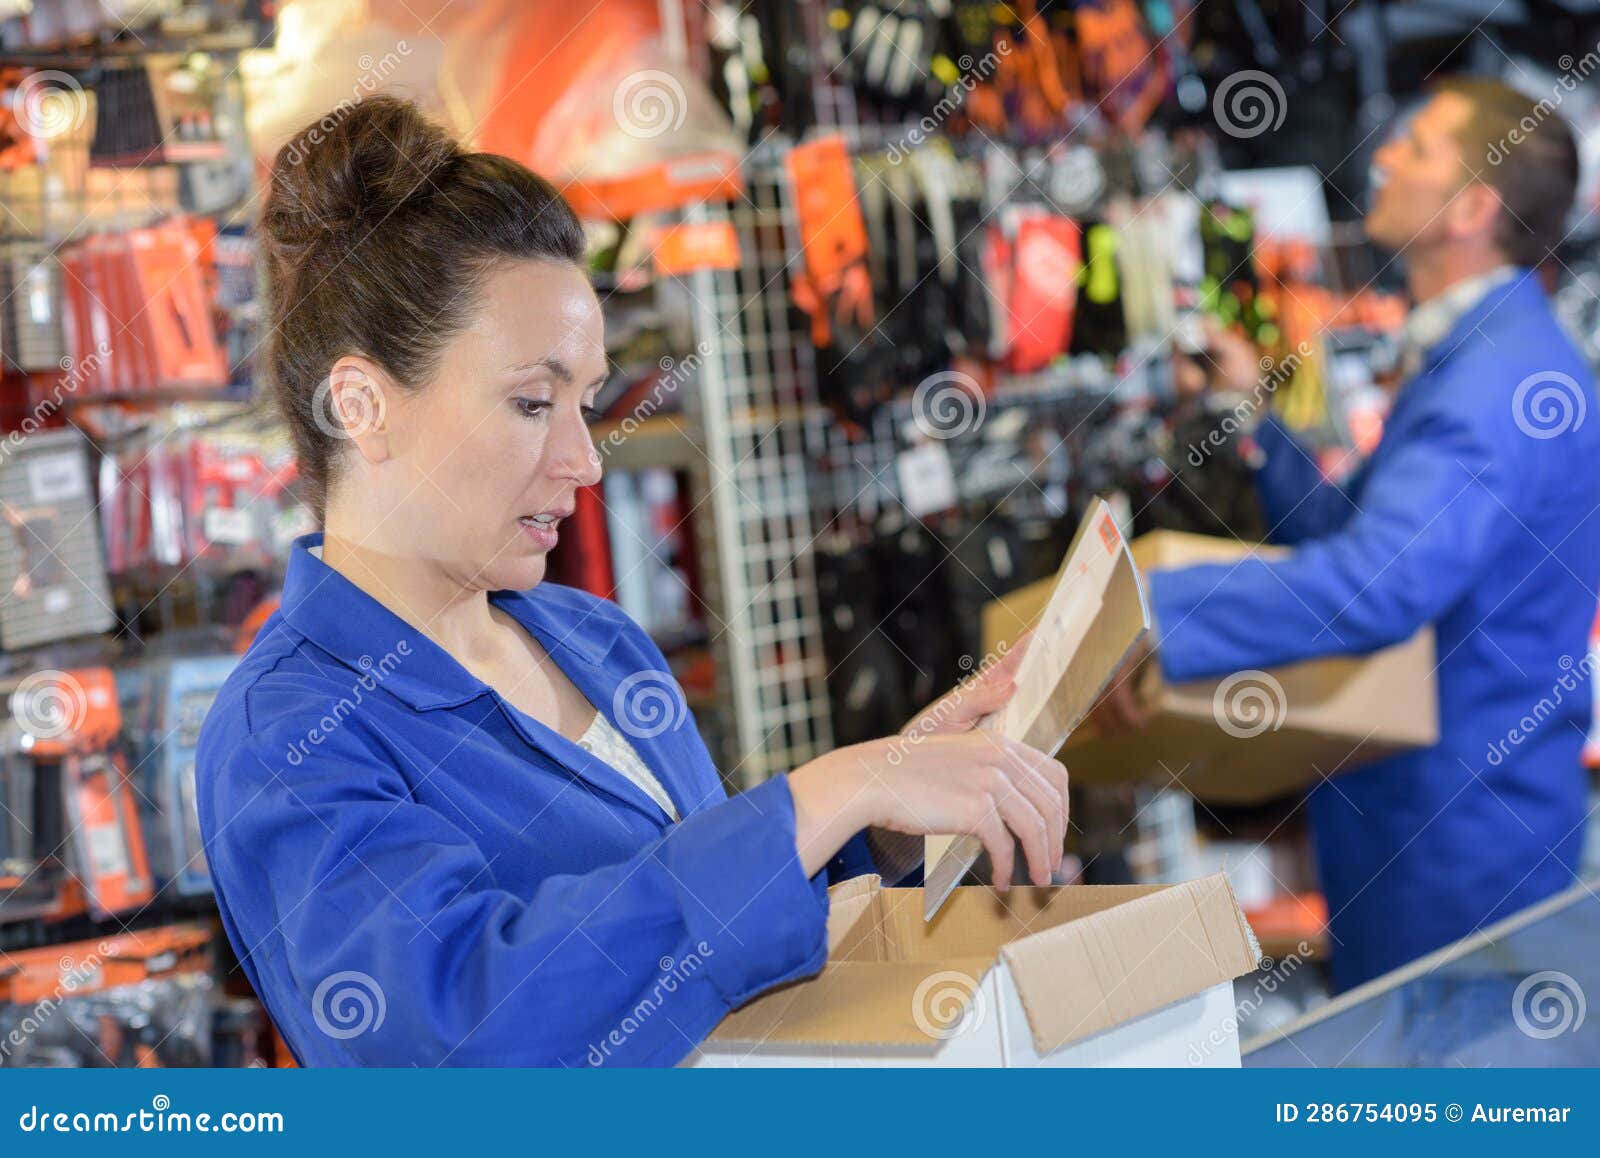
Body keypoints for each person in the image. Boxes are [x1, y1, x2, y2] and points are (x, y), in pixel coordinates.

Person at [195, 97, 1069, 1067]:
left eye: (588, 402)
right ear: (361, 405)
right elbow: (450, 1037)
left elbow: (702, 959)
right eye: (532, 402)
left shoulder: (595, 640)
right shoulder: (288, 734)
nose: (584, 459)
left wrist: (880, 823)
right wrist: (821, 798)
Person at [1100, 78, 1600, 992]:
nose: (1381, 160)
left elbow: (1377, 583)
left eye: (1415, 149)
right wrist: (1248, 411)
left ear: (1472, 208)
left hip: (1456, 842)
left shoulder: (1495, 390)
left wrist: (1140, 615)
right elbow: (1350, 530)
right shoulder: (1478, 359)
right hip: (1432, 819)